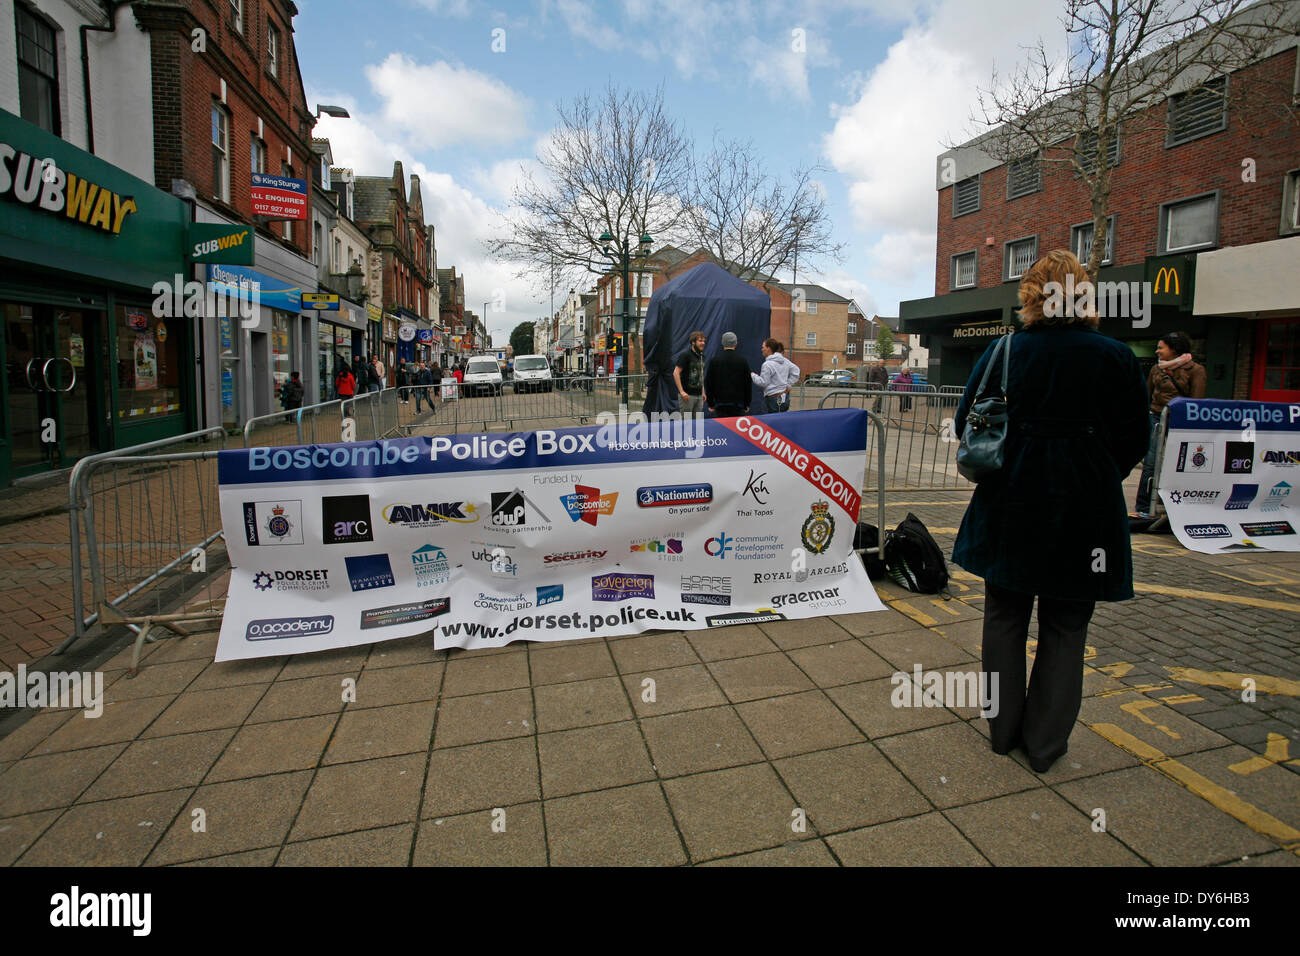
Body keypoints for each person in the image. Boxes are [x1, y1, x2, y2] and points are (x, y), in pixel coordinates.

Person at [952, 249, 1149, 774]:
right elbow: (1134, 438)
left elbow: (965, 424)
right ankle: (1044, 746)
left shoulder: (1004, 351)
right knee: (1066, 624)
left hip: (1011, 498)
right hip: (1086, 508)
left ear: (1030, 298)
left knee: (1004, 616)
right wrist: (1094, 465)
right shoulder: (1115, 356)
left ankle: (1002, 732)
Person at [1133, 331, 1206, 517]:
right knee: (1151, 461)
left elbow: (1196, 401)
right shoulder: (1156, 369)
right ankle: (1143, 506)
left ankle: (1176, 504)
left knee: (1179, 462)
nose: (1157, 351)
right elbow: (1146, 393)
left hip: (1180, 420)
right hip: (1157, 417)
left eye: (1161, 347)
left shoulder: (1195, 370)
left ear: (1174, 350)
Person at [704, 331, 752, 418]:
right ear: (736, 343)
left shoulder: (714, 361)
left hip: (720, 404)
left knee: (723, 429)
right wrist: (747, 403)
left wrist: (711, 403)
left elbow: (709, 383)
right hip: (738, 404)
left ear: (722, 343)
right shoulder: (742, 361)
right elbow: (748, 383)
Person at [751, 338, 800, 413]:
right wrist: (788, 384)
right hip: (784, 397)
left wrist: (752, 375)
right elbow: (796, 371)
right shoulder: (785, 361)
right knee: (781, 421)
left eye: (763, 347)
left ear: (768, 348)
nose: (762, 349)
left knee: (773, 422)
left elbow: (763, 383)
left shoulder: (767, 364)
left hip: (773, 399)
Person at [674, 331, 707, 416]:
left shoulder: (702, 357)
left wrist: (703, 392)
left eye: (704, 341)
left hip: (699, 396)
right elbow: (676, 373)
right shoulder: (685, 355)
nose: (703, 343)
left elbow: (701, 375)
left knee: (698, 424)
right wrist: (682, 392)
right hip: (687, 396)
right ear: (693, 342)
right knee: (687, 424)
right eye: (700, 341)